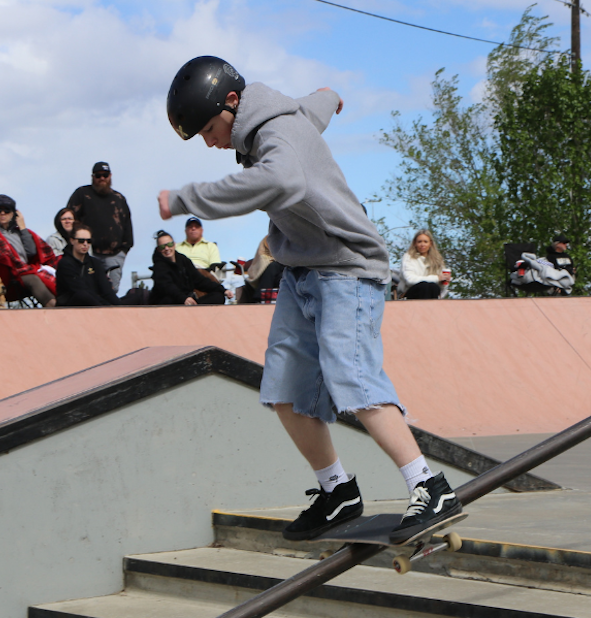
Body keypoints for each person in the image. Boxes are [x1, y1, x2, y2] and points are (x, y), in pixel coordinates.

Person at [159, 55, 461, 544]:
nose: (211, 142)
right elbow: (314, 106)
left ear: (232, 103)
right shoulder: (281, 118)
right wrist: (331, 96)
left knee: (353, 378)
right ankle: (337, 490)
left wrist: (188, 199)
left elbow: (280, 181)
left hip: (347, 269)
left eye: (210, 129)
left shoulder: (276, 139)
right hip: (302, 274)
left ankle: (430, 486)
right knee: (283, 388)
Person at [0, 194, 58, 307]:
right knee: (34, 279)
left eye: (7, 210)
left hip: (27, 269)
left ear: (13, 214)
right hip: (9, 276)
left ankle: (70, 305)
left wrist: (23, 227)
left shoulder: (18, 232)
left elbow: (32, 252)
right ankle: (54, 307)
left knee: (59, 273)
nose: (2, 213)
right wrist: (24, 269)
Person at [67, 162, 133, 292]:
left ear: (110, 176)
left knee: (111, 291)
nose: (102, 178)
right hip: (88, 253)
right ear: (93, 177)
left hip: (115, 255)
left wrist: (124, 250)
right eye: (98, 175)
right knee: (89, 290)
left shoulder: (119, 198)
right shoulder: (82, 194)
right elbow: (69, 219)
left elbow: (127, 225)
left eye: (105, 175)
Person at [150, 230, 227, 305]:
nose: (167, 249)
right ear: (158, 249)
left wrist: (222, 290)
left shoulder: (183, 260)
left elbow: (199, 280)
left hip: (186, 301)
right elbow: (167, 287)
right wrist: (183, 298)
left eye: (169, 244)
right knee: (169, 300)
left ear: (174, 244)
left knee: (218, 296)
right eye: (162, 247)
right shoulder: (159, 266)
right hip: (169, 302)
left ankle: (196, 314)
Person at [55, 223, 121, 307]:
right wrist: (106, 307)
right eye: (81, 241)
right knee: (82, 295)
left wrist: (120, 308)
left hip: (97, 304)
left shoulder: (95, 263)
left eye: (89, 241)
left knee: (138, 295)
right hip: (71, 308)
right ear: (72, 241)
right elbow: (80, 291)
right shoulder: (65, 264)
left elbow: (106, 291)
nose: (85, 244)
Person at [400, 230, 451, 299]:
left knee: (433, 286)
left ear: (430, 244)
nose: (422, 244)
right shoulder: (408, 257)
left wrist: (444, 281)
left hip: (432, 291)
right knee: (424, 286)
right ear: (415, 243)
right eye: (419, 242)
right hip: (412, 292)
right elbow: (410, 280)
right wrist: (436, 278)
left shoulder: (437, 260)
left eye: (425, 242)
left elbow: (441, 287)